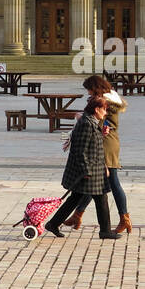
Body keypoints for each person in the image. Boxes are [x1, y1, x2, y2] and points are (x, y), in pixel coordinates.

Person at [44, 96, 119, 239]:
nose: (106, 112)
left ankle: (53, 224)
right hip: (89, 170)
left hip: (94, 168)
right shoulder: (86, 123)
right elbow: (80, 150)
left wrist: (101, 134)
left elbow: (91, 142)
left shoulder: (91, 121)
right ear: (96, 109)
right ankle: (105, 231)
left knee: (80, 198)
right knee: (96, 198)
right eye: (104, 109)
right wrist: (86, 170)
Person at [68, 75, 131, 234]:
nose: (87, 91)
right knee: (96, 182)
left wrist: (81, 117)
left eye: (88, 88)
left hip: (104, 142)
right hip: (110, 140)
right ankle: (78, 214)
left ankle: (124, 218)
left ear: (94, 87)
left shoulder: (103, 101)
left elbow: (98, 122)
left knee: (112, 182)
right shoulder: (110, 97)